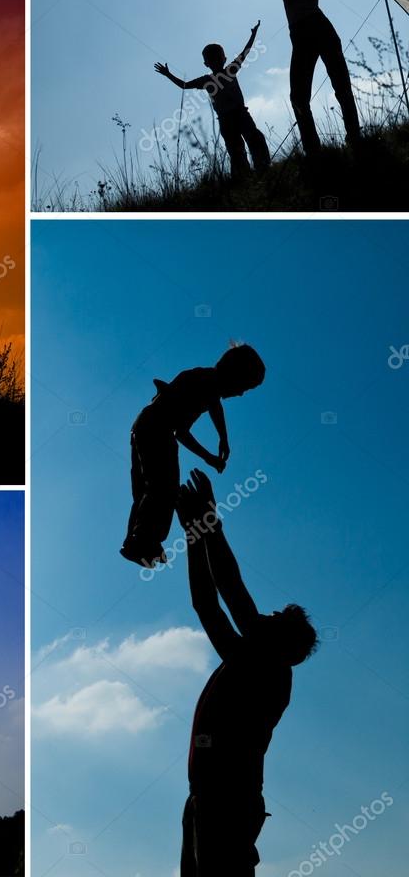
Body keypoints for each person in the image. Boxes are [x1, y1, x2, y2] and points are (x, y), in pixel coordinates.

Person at [176, 469, 318, 876]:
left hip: (229, 802)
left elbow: (231, 588)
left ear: (284, 643)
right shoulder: (245, 662)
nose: (265, 615)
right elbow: (206, 603)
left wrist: (208, 520)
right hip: (205, 799)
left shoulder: (269, 673)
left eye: (274, 617)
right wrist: (192, 532)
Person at [121, 343, 265, 567]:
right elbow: (182, 432)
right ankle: (143, 541)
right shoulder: (200, 383)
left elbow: (215, 406)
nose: (240, 393)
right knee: (164, 487)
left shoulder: (205, 383)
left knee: (147, 491)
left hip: (143, 425)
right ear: (234, 375)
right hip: (157, 429)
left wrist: (223, 438)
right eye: (243, 386)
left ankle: (138, 541)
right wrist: (209, 456)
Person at [255, 0, 361, 153]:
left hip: (321, 28)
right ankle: (313, 149)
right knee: (298, 98)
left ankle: (355, 138)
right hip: (299, 36)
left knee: (341, 85)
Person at [154, 22, 270, 176]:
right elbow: (184, 85)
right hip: (227, 119)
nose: (215, 60)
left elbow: (245, 52)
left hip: (239, 114)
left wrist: (253, 34)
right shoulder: (215, 76)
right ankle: (247, 176)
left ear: (223, 58)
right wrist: (168, 74)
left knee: (252, 140)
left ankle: (261, 169)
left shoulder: (228, 70)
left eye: (217, 57)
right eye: (212, 58)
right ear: (206, 63)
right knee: (237, 150)